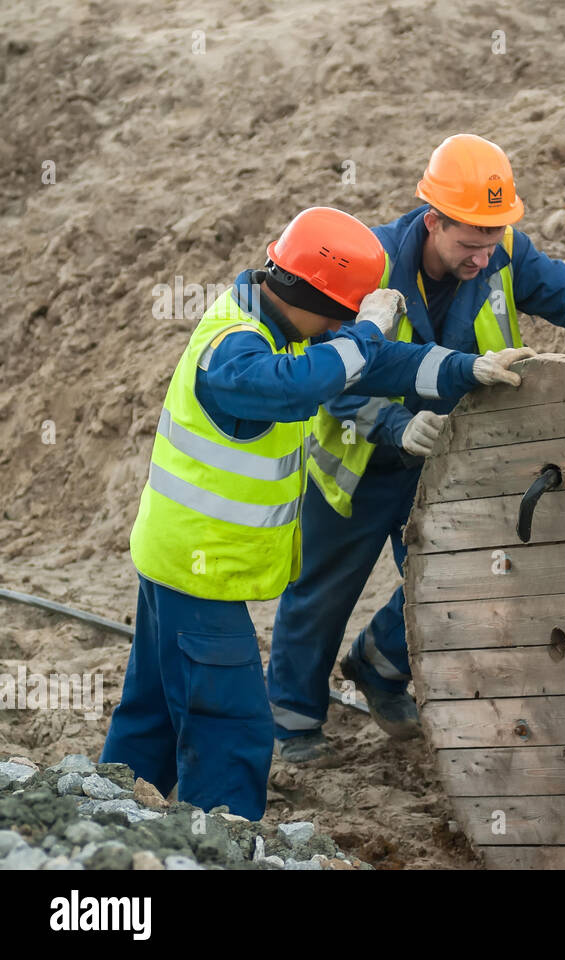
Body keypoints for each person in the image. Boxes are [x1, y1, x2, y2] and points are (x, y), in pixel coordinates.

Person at [267, 134, 565, 761]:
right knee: (321, 590)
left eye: (491, 241)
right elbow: (328, 372)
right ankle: (292, 724)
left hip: (451, 457)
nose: (483, 258)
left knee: (457, 578)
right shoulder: (365, 269)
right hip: (360, 461)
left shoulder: (502, 251)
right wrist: (395, 427)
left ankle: (378, 666)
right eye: (468, 244)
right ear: (433, 221)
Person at [99, 206, 525, 820]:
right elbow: (297, 384)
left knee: (154, 706)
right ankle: (223, 848)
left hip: (174, 559)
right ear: (312, 295)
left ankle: (105, 813)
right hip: (201, 573)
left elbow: (375, 365)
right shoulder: (238, 357)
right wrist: (367, 334)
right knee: (233, 725)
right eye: (341, 315)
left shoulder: (267, 322)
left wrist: (465, 368)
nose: (342, 327)